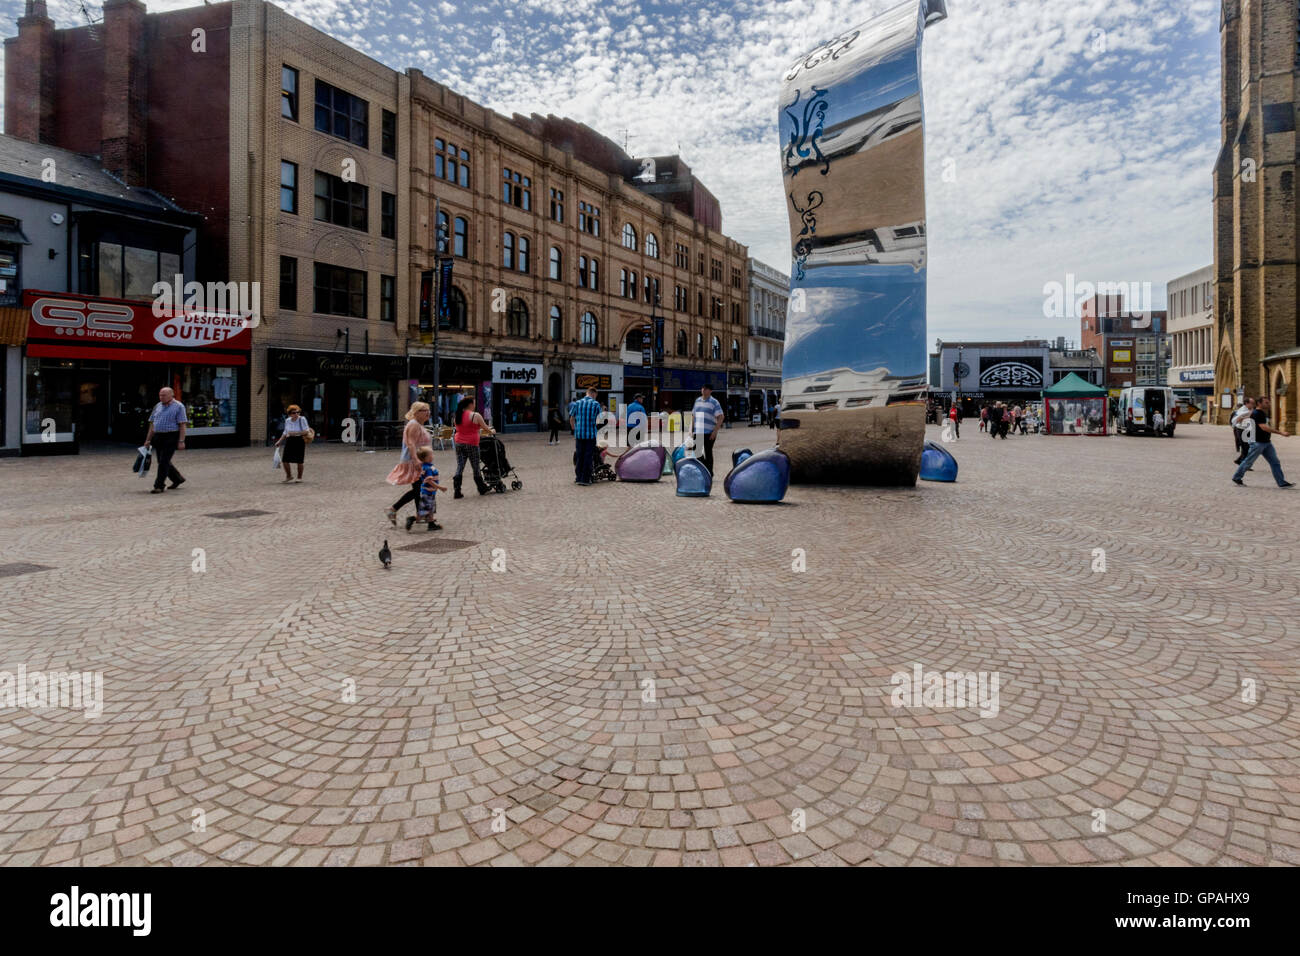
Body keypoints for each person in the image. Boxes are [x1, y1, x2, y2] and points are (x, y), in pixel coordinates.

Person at [385, 401, 433, 525]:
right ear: (416, 413)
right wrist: (416, 460)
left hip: (419, 460)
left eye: (428, 409)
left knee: (419, 489)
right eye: (424, 410)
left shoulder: (418, 424)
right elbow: (411, 443)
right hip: (414, 461)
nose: (427, 412)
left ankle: (418, 514)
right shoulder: (414, 424)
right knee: (420, 489)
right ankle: (394, 509)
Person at [1232, 396, 1293, 487]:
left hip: (1266, 443)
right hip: (1258, 443)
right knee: (1248, 461)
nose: (1268, 404)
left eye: (1268, 402)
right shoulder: (1258, 413)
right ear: (1259, 403)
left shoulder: (1258, 413)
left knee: (1275, 462)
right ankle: (1237, 477)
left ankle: (1281, 482)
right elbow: (1263, 427)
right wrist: (1281, 433)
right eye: (1266, 403)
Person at [143, 386, 187, 494]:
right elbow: (152, 424)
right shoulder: (157, 406)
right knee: (162, 461)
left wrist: (181, 441)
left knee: (164, 461)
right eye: (160, 395)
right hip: (158, 436)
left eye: (164, 395)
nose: (161, 397)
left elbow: (182, 424)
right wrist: (148, 440)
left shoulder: (179, 407)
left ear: (171, 395)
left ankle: (159, 485)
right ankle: (178, 479)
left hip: (171, 436)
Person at [452, 397, 494, 497]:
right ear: (470, 404)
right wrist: (492, 431)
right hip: (472, 443)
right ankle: (481, 488)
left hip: (459, 443)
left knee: (460, 466)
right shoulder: (475, 415)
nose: (475, 405)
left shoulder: (457, 415)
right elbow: (486, 428)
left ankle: (457, 490)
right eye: (474, 403)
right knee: (475, 466)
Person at [407, 446, 448, 532]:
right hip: (428, 492)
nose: (432, 456)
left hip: (430, 492)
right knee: (425, 511)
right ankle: (412, 519)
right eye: (431, 455)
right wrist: (440, 488)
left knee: (430, 509)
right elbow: (429, 480)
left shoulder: (427, 466)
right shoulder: (428, 468)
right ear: (426, 458)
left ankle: (431, 524)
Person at [569, 385, 602, 485]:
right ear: (593, 393)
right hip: (590, 435)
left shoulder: (577, 403)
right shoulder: (596, 404)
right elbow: (599, 420)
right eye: (595, 395)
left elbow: (571, 419)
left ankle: (578, 477)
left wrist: (574, 429)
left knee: (580, 455)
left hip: (579, 435)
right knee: (588, 456)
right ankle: (585, 479)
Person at [692, 383, 725, 474]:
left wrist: (715, 432)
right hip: (698, 431)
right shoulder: (697, 401)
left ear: (710, 391)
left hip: (709, 432)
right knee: (697, 451)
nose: (703, 390)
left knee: (708, 452)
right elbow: (693, 415)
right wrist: (691, 430)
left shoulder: (714, 402)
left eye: (706, 389)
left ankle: (709, 473)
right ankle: (706, 468)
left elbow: (721, 417)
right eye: (702, 388)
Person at [275, 404, 310, 482]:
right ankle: (289, 476)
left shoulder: (302, 419)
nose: (296, 414)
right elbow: (285, 432)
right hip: (290, 441)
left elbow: (306, 430)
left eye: (298, 412)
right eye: (294, 413)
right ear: (290, 414)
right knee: (285, 460)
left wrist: (295, 433)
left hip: (299, 440)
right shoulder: (287, 420)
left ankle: (299, 477)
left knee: (299, 460)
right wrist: (279, 441)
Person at [1231, 397, 1256, 463]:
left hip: (1246, 430)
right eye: (1252, 403)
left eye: (1254, 403)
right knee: (1246, 448)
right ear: (1246, 403)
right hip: (1241, 430)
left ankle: (1239, 461)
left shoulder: (1249, 409)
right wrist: (1249, 416)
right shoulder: (1243, 411)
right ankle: (1244, 464)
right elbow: (1237, 420)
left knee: (1246, 447)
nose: (1254, 404)